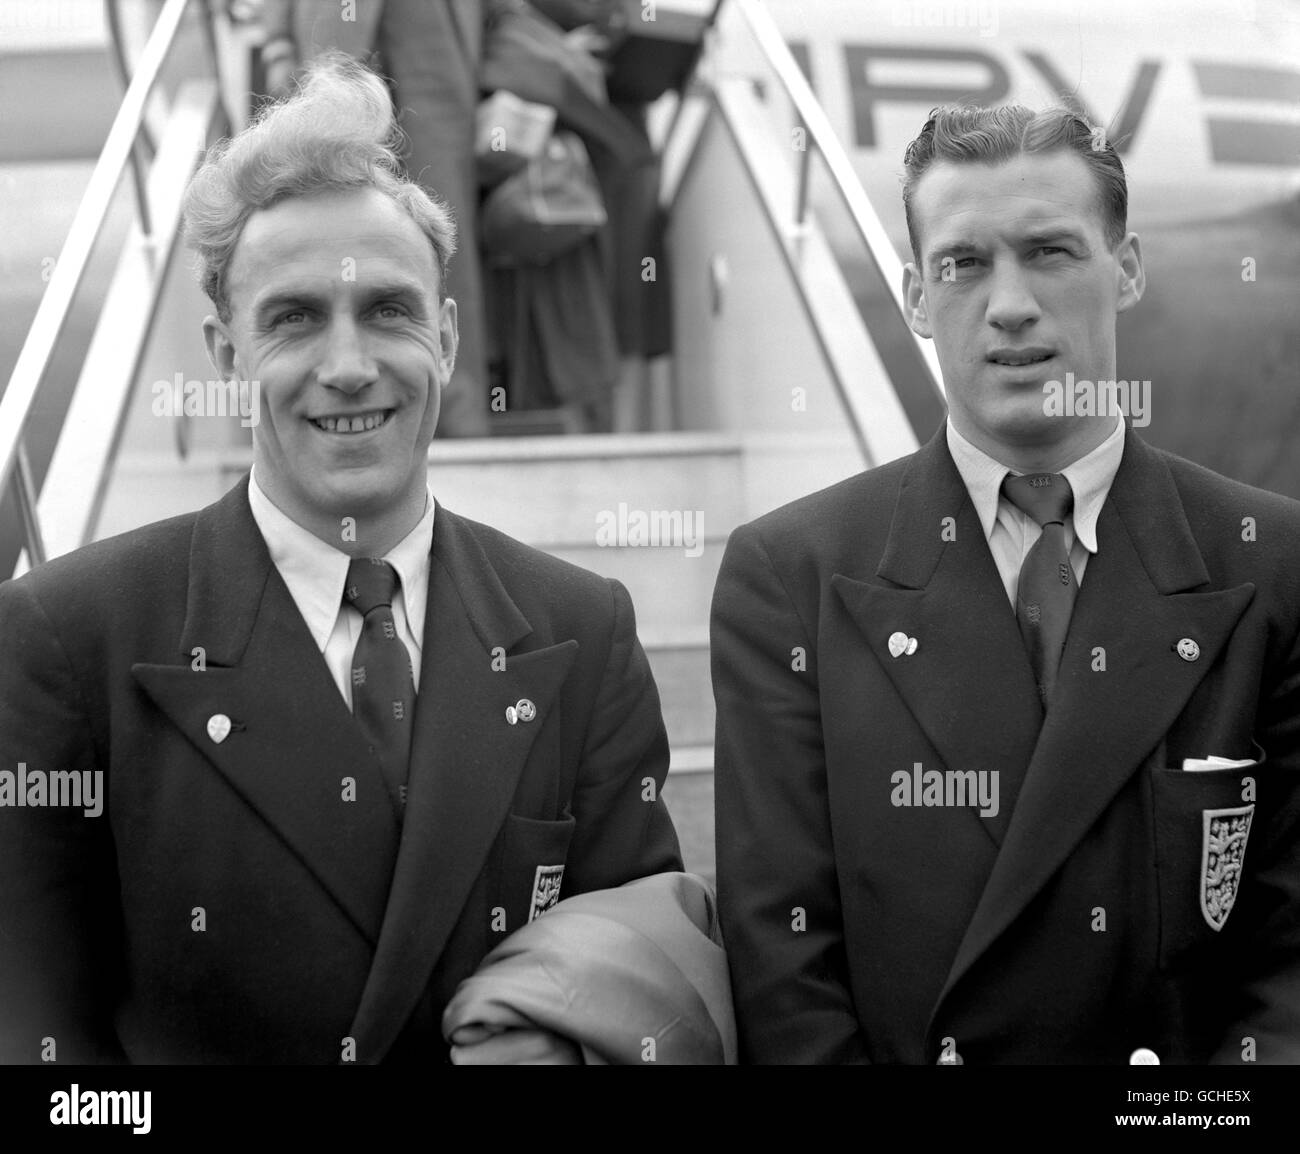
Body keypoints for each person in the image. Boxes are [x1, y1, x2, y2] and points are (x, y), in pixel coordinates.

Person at [0, 55, 681, 1065]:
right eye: (294, 317)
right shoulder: (67, 637)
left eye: (390, 311)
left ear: (448, 340)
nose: (350, 363)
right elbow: (38, 1037)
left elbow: (646, 959)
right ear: (227, 354)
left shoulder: (582, 628)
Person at [710, 104, 1300, 1065]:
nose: (1010, 303)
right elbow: (783, 956)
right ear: (914, 296)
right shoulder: (793, 577)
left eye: (1052, 252)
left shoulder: (1271, 565)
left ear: (1128, 269)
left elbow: (1286, 960)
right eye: (963, 263)